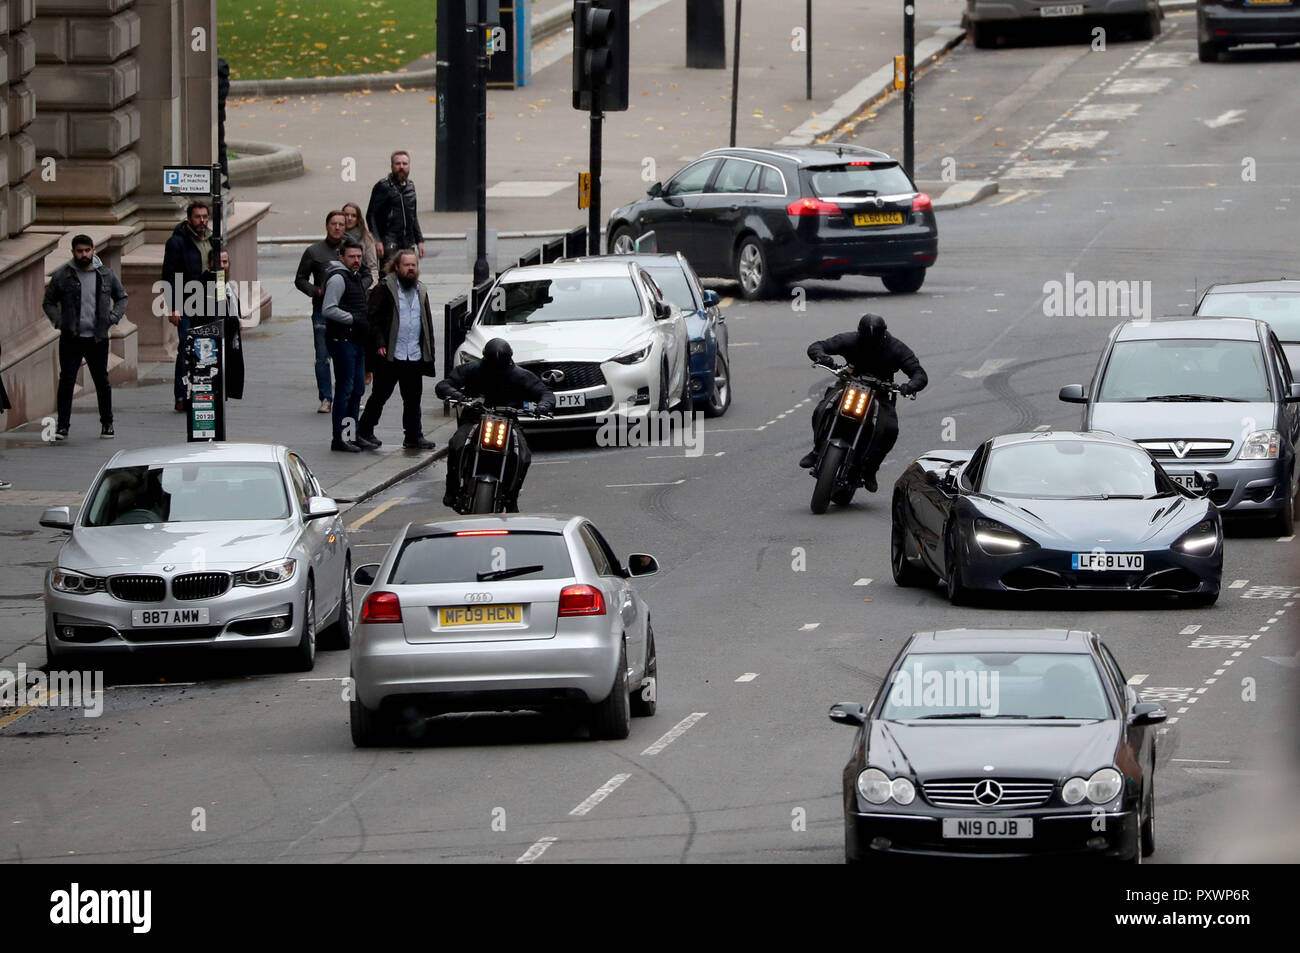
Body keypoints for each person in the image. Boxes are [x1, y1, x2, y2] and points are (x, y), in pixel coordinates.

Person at [799, 313, 927, 492]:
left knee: (890, 429)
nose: (870, 344)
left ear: (883, 335)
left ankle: (870, 470)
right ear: (860, 335)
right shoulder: (849, 339)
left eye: (874, 340)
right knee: (822, 408)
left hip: (881, 394)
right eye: (866, 340)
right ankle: (816, 450)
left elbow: (919, 373)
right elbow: (817, 346)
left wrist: (910, 386)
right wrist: (822, 357)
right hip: (847, 385)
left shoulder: (896, 348)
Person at [434, 339, 554, 511]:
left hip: (509, 422)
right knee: (456, 444)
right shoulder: (471, 370)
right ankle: (451, 489)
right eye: (492, 364)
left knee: (524, 455)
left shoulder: (521, 375)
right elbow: (444, 385)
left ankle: (512, 497)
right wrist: (459, 397)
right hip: (475, 419)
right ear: (484, 359)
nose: (497, 369)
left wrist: (543, 406)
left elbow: (545, 393)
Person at [42, 234, 129, 441]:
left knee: (102, 381)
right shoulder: (63, 275)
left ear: (93, 250)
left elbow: (122, 297)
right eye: (79, 251)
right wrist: (59, 322)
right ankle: (63, 426)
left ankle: (107, 423)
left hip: (97, 337)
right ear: (73, 252)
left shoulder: (105, 274)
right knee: (67, 381)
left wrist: (112, 318)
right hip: (72, 337)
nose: (84, 254)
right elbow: (49, 302)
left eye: (87, 250)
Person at [359, 251, 437, 451]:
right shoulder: (384, 289)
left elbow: (426, 322)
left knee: (413, 399)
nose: (411, 269)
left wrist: (428, 351)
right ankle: (364, 430)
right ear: (396, 267)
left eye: (414, 265)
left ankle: (413, 436)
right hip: (391, 354)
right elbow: (373, 319)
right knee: (380, 395)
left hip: (414, 354)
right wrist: (379, 343)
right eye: (406, 265)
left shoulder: (421, 290)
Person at [320, 240, 372, 452]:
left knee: (357, 389)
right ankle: (340, 438)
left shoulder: (355, 277)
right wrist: (352, 318)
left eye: (359, 256)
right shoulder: (339, 279)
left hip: (356, 340)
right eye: (352, 257)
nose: (356, 260)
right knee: (346, 390)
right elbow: (328, 309)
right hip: (342, 341)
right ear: (342, 257)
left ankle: (351, 434)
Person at [162, 201, 214, 412]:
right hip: (186, 303)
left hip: (209, 303)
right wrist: (173, 307)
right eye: (197, 217)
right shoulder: (177, 243)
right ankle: (182, 395)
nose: (202, 221)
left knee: (208, 347)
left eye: (205, 216)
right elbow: (168, 277)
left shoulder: (214, 240)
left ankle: (203, 391)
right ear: (189, 219)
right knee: (186, 348)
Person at [294, 210, 348, 414]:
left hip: (346, 310)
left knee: (346, 355)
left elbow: (364, 273)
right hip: (322, 311)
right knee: (323, 356)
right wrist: (315, 291)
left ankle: (348, 395)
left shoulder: (349, 250)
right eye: (333, 224)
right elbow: (300, 279)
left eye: (341, 224)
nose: (337, 227)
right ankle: (326, 397)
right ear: (327, 226)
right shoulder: (314, 252)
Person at [365, 150, 425, 265]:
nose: (401, 167)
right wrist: (377, 240)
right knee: (389, 276)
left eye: (404, 164)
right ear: (392, 166)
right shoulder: (383, 186)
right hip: (389, 241)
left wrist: (419, 240)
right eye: (398, 164)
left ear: (409, 166)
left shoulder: (411, 187)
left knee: (408, 274)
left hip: (408, 242)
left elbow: (413, 216)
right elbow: (371, 215)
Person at [342, 202, 380, 290]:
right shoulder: (336, 236)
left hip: (363, 285)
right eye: (346, 215)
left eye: (353, 216)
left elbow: (373, 267)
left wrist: (370, 288)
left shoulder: (366, 238)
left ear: (358, 218)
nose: (349, 218)